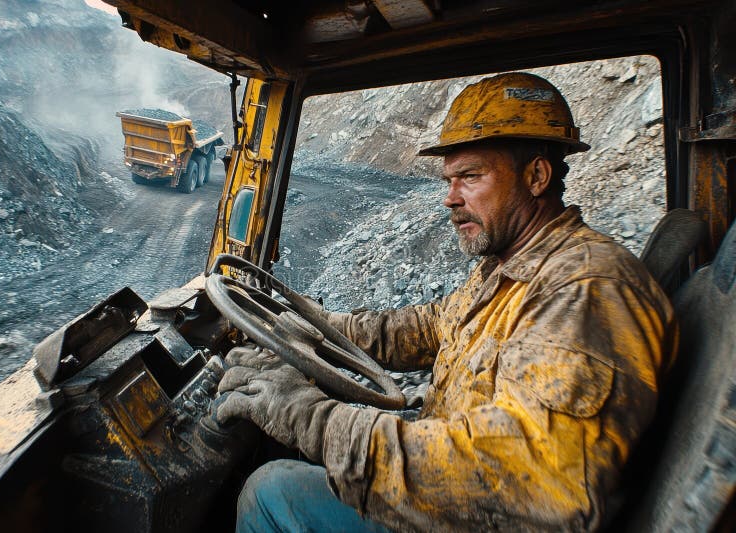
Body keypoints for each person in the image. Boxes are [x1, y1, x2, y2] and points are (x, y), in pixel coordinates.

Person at [214, 72, 677, 532]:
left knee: (271, 491)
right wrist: (324, 327)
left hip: (480, 516)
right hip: (461, 496)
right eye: (448, 180)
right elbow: (433, 327)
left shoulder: (585, 290)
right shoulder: (509, 269)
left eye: (470, 177)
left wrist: (312, 420)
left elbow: (532, 479)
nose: (449, 199)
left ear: (536, 175)